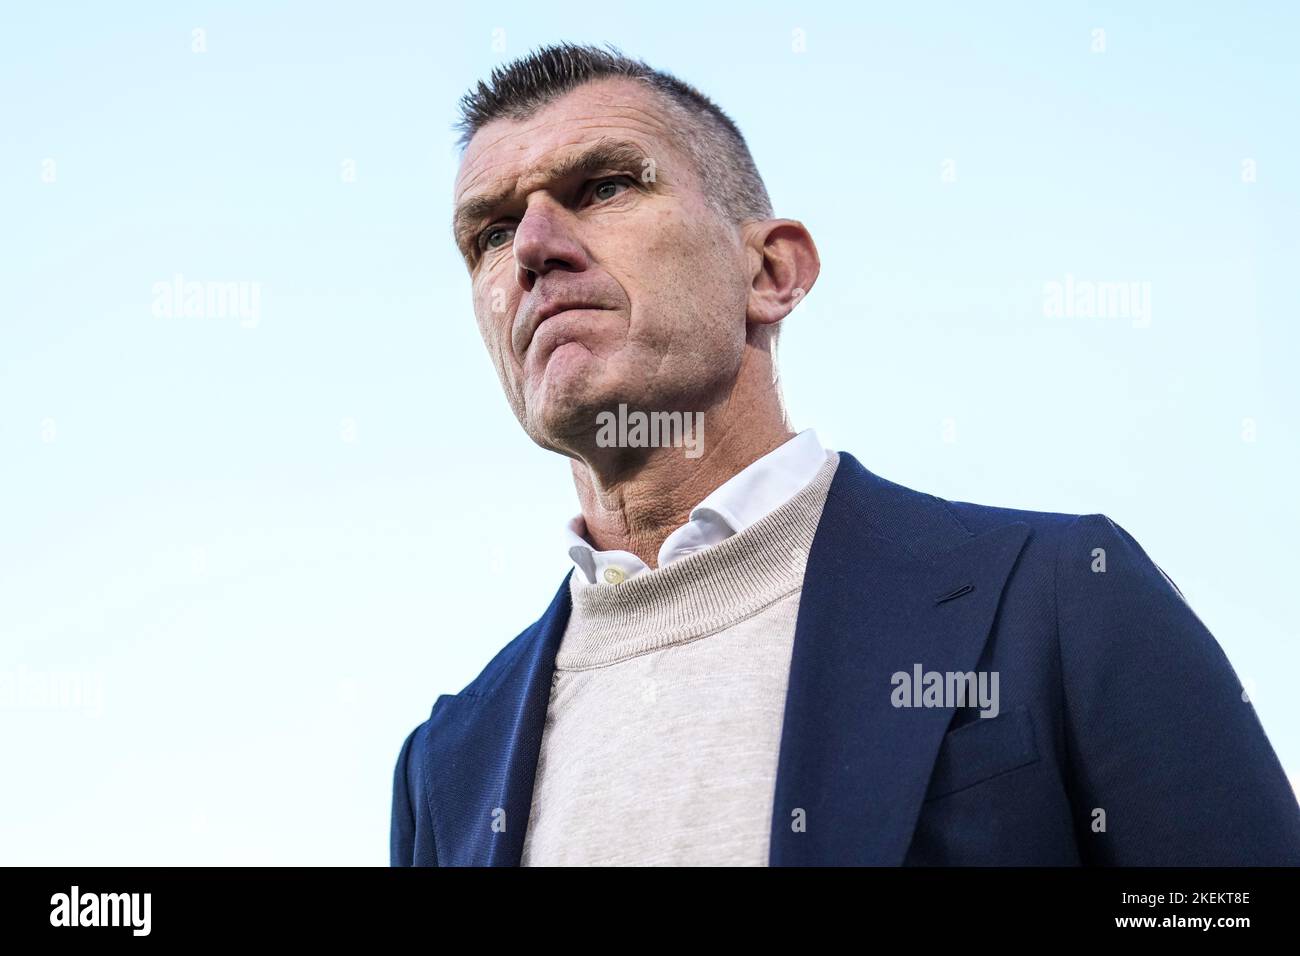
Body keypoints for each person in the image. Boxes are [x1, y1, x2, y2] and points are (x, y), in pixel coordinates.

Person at [390, 42, 1300, 866]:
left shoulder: (1059, 592)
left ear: (771, 273)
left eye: (605, 187)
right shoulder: (445, 768)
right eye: (492, 233)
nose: (535, 250)